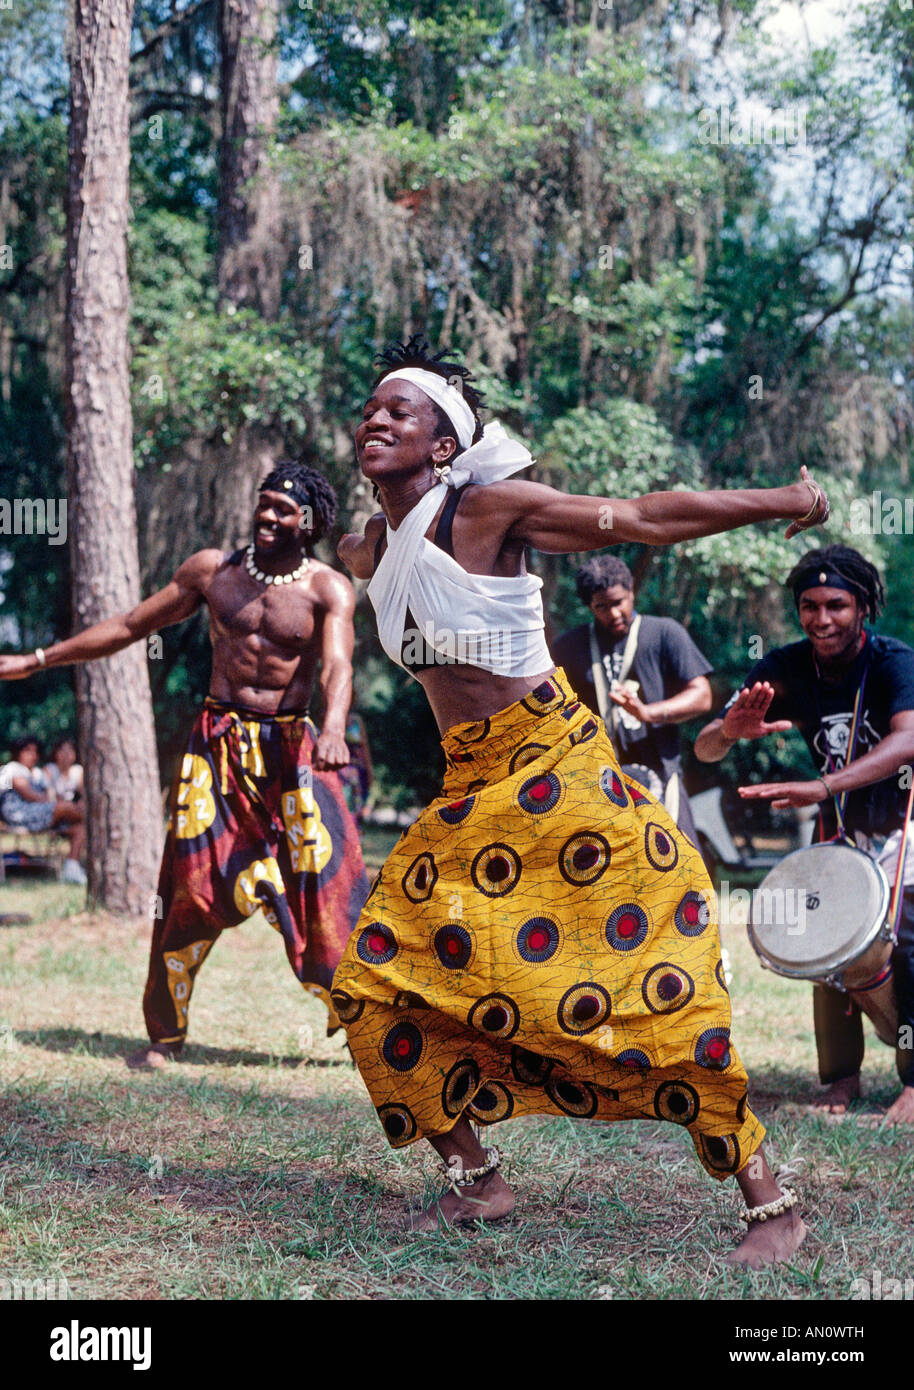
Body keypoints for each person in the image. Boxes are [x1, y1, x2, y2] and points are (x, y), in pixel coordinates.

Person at [331, 334, 828, 1266]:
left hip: (563, 776)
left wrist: (785, 500)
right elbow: (347, 548)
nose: (378, 417)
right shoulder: (373, 546)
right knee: (371, 980)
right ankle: (477, 1182)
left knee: (646, 993)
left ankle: (772, 1204)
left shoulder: (488, 510)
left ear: (446, 446)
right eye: (370, 408)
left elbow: (639, 518)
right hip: (470, 788)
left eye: (403, 409)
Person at [0, 463, 370, 1068]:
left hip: (289, 756)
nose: (268, 516)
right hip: (215, 751)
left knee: (329, 893)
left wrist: (332, 729)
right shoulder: (212, 572)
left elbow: (338, 667)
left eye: (284, 509)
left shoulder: (328, 589)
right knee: (187, 891)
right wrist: (38, 660)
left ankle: (364, 1028)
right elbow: (128, 626)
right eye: (264, 503)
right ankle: (164, 1037)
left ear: (309, 523)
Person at [694, 545, 914, 1125]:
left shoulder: (894, 662)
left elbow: (908, 742)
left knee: (910, 947)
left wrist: (824, 786)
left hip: (906, 822)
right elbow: (705, 747)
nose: (823, 619)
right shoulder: (788, 665)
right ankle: (840, 1079)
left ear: (863, 606)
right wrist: (730, 731)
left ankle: (913, 1084)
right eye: (810, 607)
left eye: (837, 605)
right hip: (843, 828)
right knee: (826, 945)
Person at [550, 555, 712, 843]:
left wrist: (648, 713)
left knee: (683, 876)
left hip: (661, 780)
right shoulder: (569, 647)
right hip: (596, 787)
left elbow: (702, 696)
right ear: (589, 606)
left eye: (619, 602)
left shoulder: (664, 633)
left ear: (632, 590)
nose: (613, 614)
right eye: (602, 607)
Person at [0, 736, 86, 883]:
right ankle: (91, 818)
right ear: (17, 752)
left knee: (80, 827)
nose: (32, 755)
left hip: (41, 815)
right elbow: (29, 795)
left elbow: (51, 795)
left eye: (35, 751)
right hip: (20, 815)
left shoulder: (38, 773)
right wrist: (58, 803)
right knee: (66, 808)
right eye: (27, 751)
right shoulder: (11, 769)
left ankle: (71, 867)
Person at [44, 736, 84, 802]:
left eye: (70, 750)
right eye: (62, 750)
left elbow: (83, 793)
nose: (66, 754)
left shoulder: (78, 770)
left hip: (73, 806)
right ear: (55, 753)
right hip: (55, 806)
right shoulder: (49, 769)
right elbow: (49, 795)